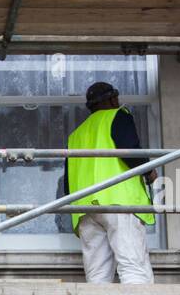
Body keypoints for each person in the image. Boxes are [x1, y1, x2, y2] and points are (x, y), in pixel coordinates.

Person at [63, 81, 156, 284]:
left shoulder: (76, 135)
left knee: (97, 275)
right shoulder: (118, 116)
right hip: (118, 202)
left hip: (85, 209)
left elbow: (68, 184)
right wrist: (148, 171)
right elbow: (130, 151)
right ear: (113, 99)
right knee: (133, 266)